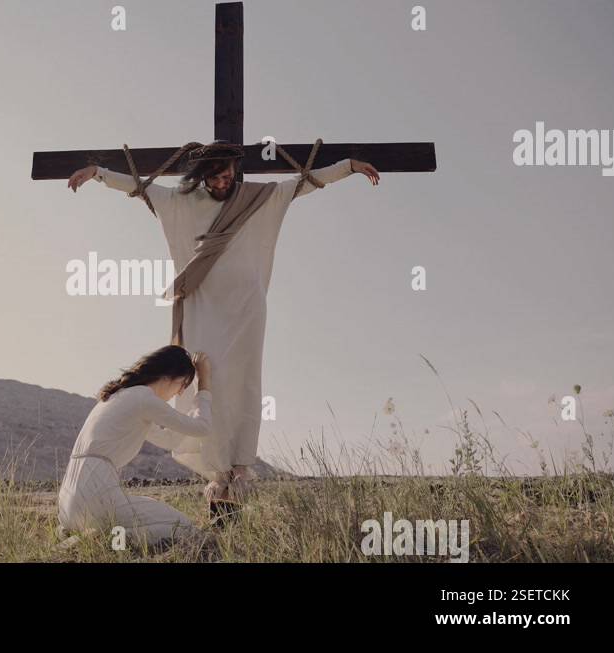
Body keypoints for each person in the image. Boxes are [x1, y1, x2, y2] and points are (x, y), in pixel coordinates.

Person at [67, 142, 380, 507]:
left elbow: (301, 184)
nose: (222, 182)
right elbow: (142, 189)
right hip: (202, 306)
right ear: (203, 176)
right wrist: (99, 174)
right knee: (205, 379)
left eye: (227, 174)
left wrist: (349, 166)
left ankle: (240, 468)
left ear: (235, 170)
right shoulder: (184, 203)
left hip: (247, 310)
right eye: (214, 177)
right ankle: (219, 475)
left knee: (244, 382)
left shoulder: (258, 199)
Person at [58, 345, 214, 550]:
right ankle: (103, 539)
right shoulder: (144, 398)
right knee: (183, 527)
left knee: (149, 509)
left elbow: (170, 441)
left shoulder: (120, 397)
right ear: (170, 376)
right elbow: (202, 428)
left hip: (67, 506)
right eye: (183, 384)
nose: (180, 392)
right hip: (96, 500)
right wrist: (204, 385)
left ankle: (88, 535)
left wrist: (186, 417)